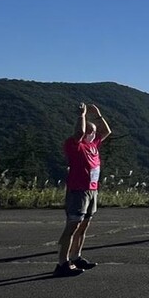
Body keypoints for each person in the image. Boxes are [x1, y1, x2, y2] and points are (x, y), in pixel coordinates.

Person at [56, 102, 111, 277]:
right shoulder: (75, 145)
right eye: (89, 131)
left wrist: (99, 116)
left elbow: (107, 132)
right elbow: (79, 133)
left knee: (84, 226)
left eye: (93, 131)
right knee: (73, 226)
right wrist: (82, 115)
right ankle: (63, 263)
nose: (91, 133)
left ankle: (76, 256)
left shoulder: (93, 145)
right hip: (78, 191)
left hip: (92, 190)